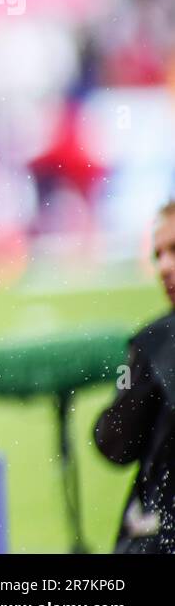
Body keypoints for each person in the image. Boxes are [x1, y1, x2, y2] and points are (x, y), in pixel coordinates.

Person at [94, 199, 175, 553]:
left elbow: (114, 442)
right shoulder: (151, 342)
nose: (165, 267)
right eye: (159, 256)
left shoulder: (154, 342)